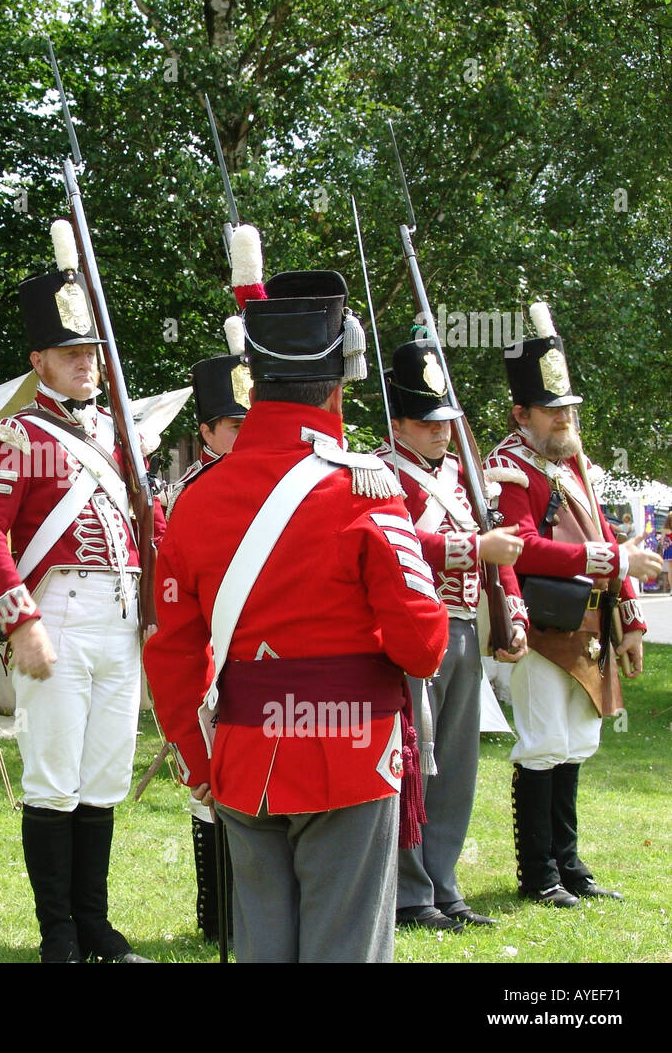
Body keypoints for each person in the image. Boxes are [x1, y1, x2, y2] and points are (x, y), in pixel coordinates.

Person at [143, 259, 449, 962]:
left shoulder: (195, 501)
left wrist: (198, 760)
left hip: (245, 754)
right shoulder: (365, 489)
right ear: (340, 377)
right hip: (351, 754)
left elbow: (171, 654)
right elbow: (423, 646)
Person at [0, 223, 163, 962]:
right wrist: (22, 623)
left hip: (119, 620)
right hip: (59, 621)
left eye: (93, 353)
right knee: (52, 782)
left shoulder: (122, 439)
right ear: (39, 358)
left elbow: (151, 529)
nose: (86, 365)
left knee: (103, 777)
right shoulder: (11, 435)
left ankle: (96, 924)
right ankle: (60, 935)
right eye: (72, 353)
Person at [485, 303, 660, 907]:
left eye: (568, 409)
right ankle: (539, 873)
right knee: (543, 741)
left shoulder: (570, 465)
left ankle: (569, 862)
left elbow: (607, 541)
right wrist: (612, 564)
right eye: (552, 410)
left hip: (589, 620)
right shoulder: (509, 469)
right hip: (541, 623)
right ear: (521, 413)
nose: (564, 419)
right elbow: (523, 551)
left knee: (578, 740)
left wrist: (630, 619)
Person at [378, 337, 530, 933]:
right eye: (426, 422)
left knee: (458, 765)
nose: (440, 433)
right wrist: (474, 548)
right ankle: (411, 889)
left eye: (444, 421)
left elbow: (504, 551)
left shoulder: (462, 476)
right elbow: (397, 546)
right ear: (397, 423)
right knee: (416, 763)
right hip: (414, 633)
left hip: (464, 630)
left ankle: (444, 881)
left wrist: (513, 608)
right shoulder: (381, 475)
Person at [160, 342, 252, 941]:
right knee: (209, 784)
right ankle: (216, 919)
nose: (246, 435)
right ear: (207, 430)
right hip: (211, 655)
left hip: (262, 655)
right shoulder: (192, 494)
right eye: (234, 424)